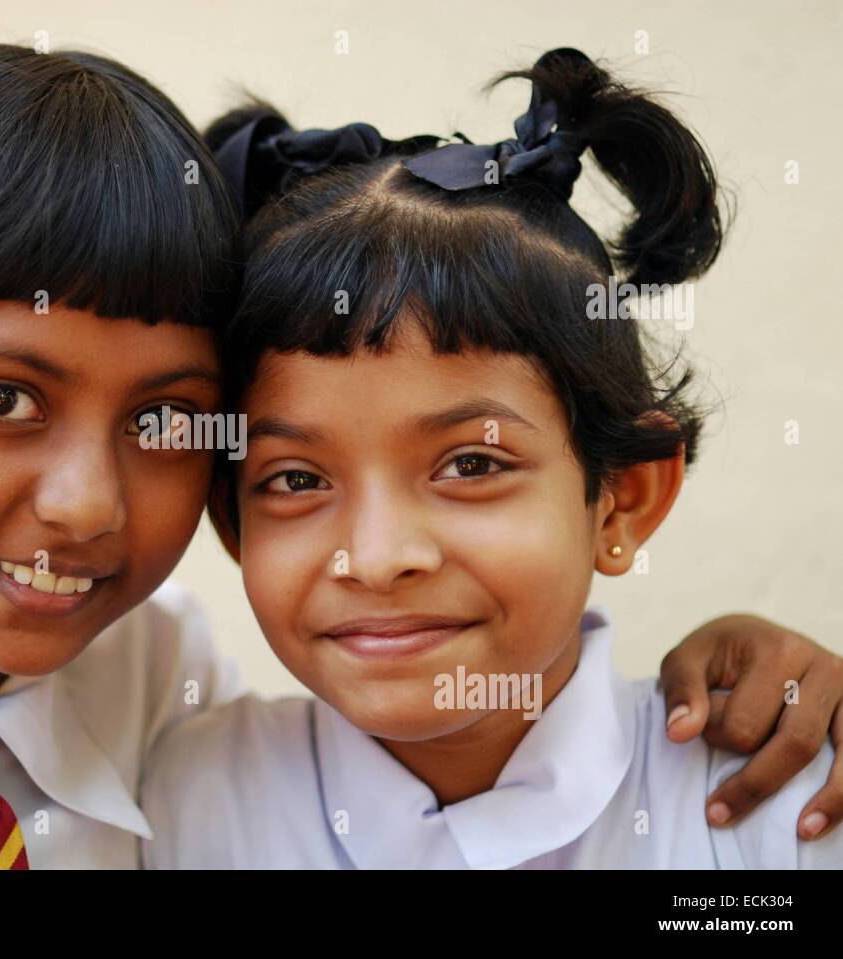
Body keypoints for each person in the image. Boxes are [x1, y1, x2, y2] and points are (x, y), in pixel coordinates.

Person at [140, 48, 843, 868]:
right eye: (296, 480)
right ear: (233, 525)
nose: (377, 558)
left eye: (471, 465)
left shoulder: (784, 807)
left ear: (622, 497)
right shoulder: (175, 803)